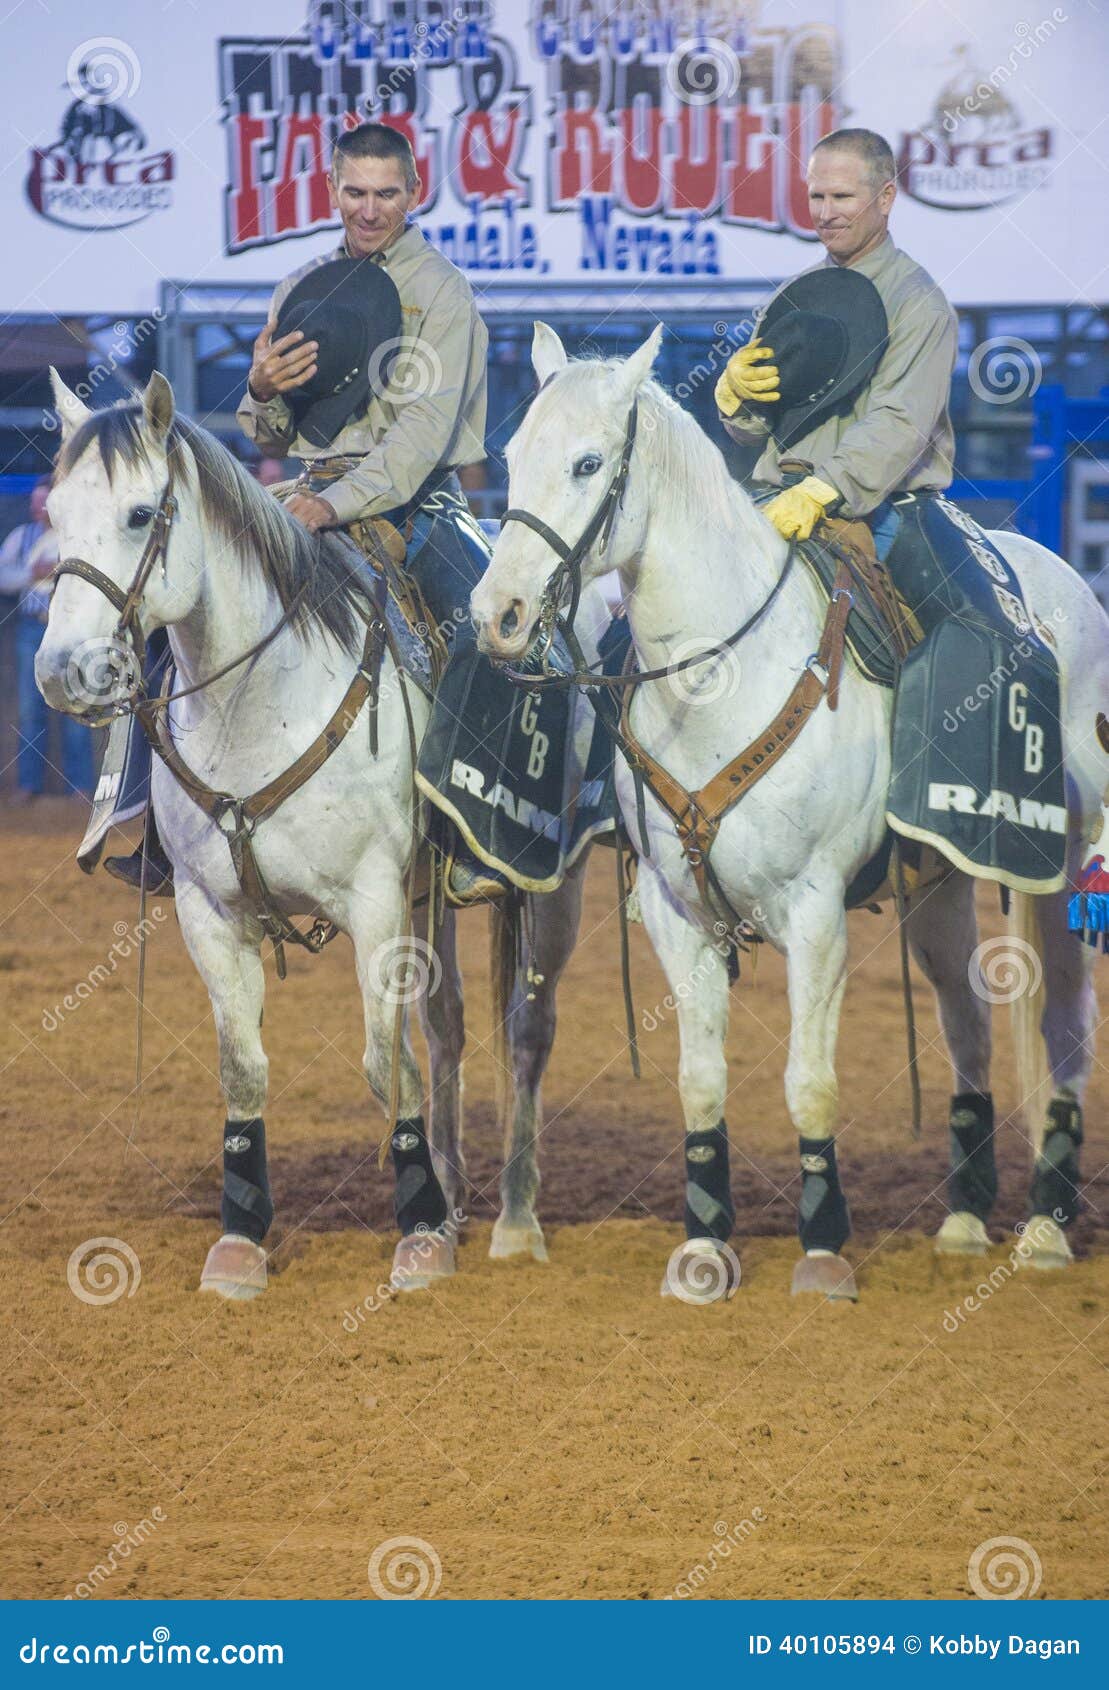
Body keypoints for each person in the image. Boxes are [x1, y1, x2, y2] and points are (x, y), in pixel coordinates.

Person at [107, 120, 509, 903]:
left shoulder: (443, 292)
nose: (369, 209)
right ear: (332, 190)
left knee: (485, 630)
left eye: (386, 194)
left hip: (419, 502)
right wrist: (259, 390)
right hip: (303, 494)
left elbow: (424, 437)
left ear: (414, 192)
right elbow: (272, 429)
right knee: (176, 604)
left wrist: (331, 504)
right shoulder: (300, 287)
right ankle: (157, 823)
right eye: (354, 192)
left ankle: (474, 837)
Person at [715, 126, 957, 563]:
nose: (825, 214)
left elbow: (900, 423)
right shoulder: (795, 295)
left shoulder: (919, 303)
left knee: (958, 630)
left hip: (884, 514)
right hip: (771, 499)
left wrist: (820, 492)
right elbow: (750, 434)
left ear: (886, 198)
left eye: (842, 197)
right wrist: (736, 397)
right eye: (816, 197)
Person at [0, 477, 94, 804]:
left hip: (69, 629)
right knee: (30, 709)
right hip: (32, 628)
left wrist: (54, 570)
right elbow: (3, 577)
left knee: (75, 706)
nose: (38, 508)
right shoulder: (20, 537)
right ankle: (29, 786)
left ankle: (80, 786)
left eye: (44, 502)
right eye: (35, 502)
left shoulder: (75, 537)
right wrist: (32, 574)